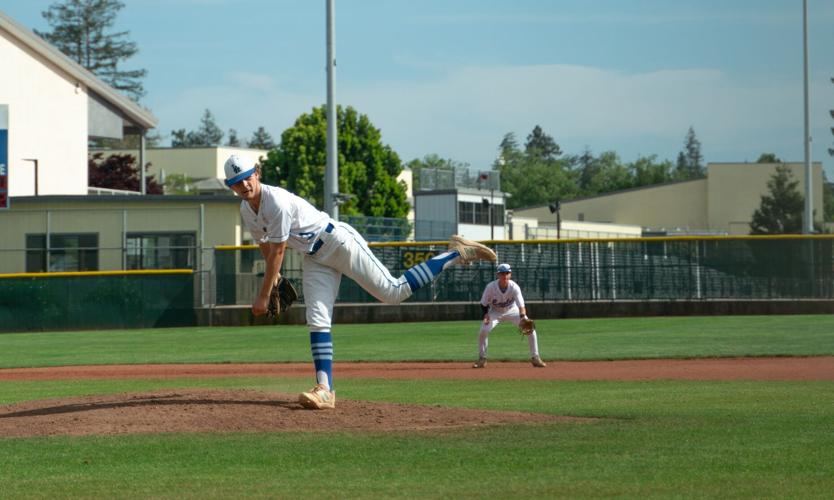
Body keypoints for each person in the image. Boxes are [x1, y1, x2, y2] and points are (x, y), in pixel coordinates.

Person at [223, 155, 497, 410]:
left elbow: (279, 251)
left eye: (248, 176)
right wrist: (277, 280)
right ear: (231, 187)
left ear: (257, 173)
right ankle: (324, 390)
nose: (244, 184)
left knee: (394, 292)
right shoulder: (247, 210)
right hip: (314, 257)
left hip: (338, 242)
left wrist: (264, 294)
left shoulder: (276, 202)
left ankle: (455, 253)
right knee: (317, 319)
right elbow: (266, 246)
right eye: (237, 182)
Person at [473, 263, 546, 368]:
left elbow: (521, 306)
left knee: (530, 330)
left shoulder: (514, 287)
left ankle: (535, 358)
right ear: (498, 275)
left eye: (507, 273)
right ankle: (482, 359)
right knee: (483, 330)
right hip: (495, 312)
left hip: (512, 310)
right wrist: (486, 315)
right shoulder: (490, 287)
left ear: (510, 274)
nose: (505, 276)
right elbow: (483, 304)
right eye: (502, 273)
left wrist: (522, 317)